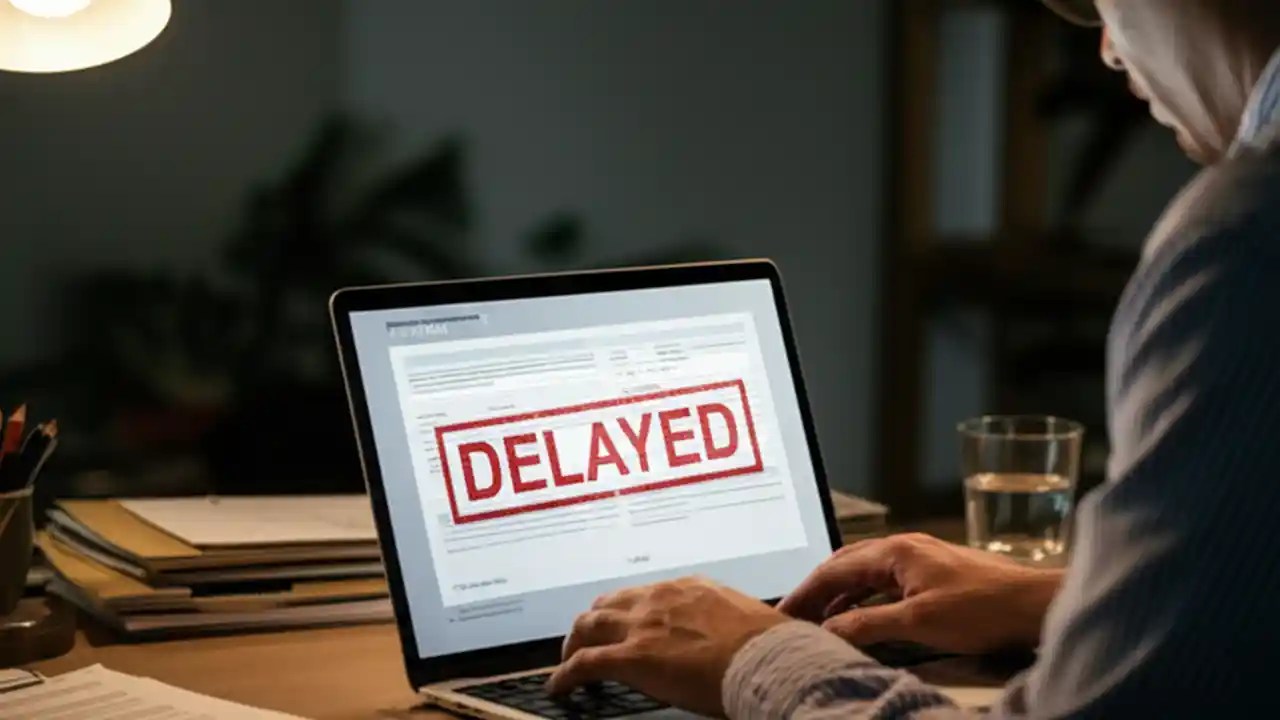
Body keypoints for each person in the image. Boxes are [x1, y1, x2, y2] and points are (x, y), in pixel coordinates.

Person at [547, 0, 1280, 716]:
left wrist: (756, 659)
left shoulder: (1246, 241)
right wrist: (1061, 599)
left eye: (1104, 3)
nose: (1109, 48)